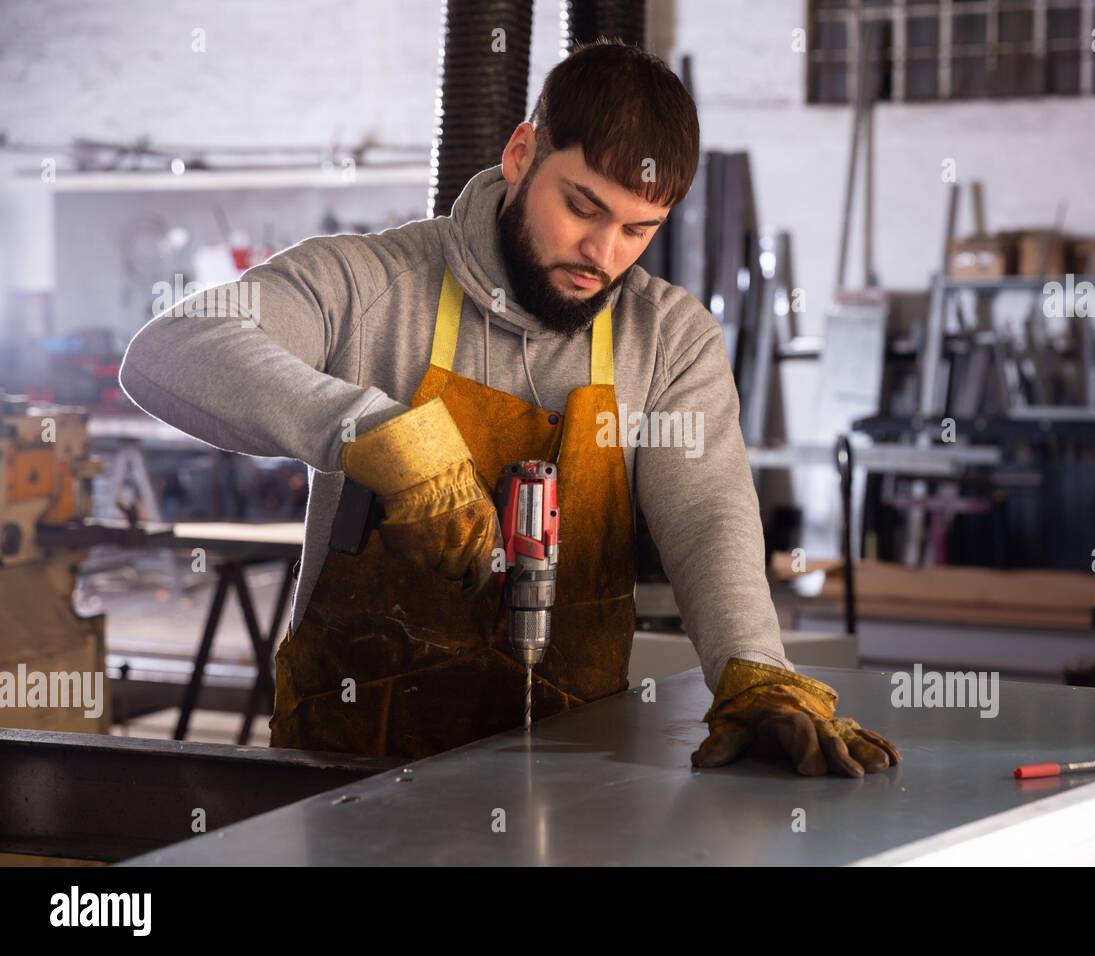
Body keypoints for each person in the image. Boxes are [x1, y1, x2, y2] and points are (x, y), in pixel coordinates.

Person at [119, 38, 900, 777]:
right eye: (583, 207)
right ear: (522, 154)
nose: (604, 254)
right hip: (349, 772)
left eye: (639, 230)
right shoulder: (370, 287)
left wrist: (755, 669)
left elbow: (707, 518)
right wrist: (372, 432)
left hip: (572, 780)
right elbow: (169, 349)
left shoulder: (668, 340)